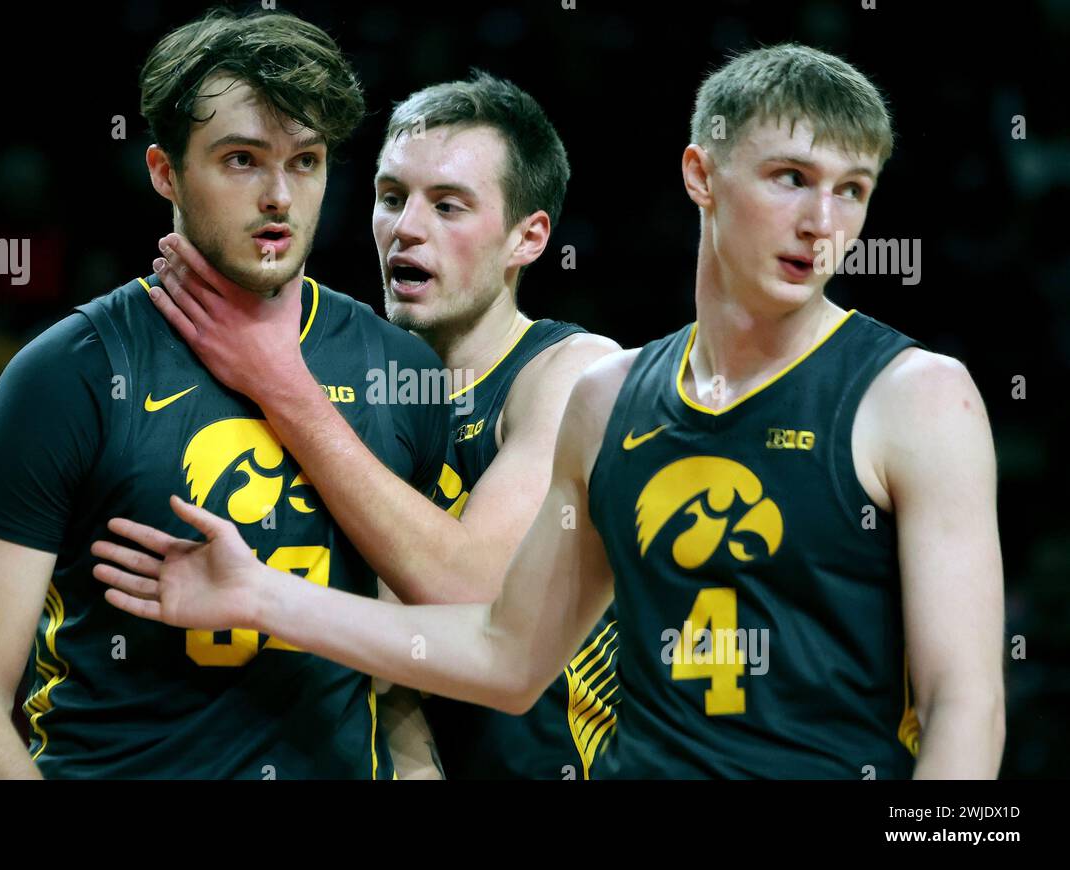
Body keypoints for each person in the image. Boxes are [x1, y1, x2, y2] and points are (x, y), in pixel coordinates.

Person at [94, 44, 1006, 778]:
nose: (824, 222)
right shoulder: (611, 402)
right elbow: (503, 656)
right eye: (790, 179)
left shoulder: (917, 395)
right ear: (701, 175)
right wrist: (262, 595)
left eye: (852, 190)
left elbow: (964, 706)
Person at [0, 9, 450, 779]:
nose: (279, 196)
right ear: (165, 171)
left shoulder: (399, 368)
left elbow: (414, 660)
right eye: (242, 160)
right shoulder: (66, 374)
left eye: (305, 161)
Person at [146, 72, 622, 779]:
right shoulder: (357, 388)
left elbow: (472, 591)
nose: (406, 228)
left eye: (448, 206)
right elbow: (388, 659)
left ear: (528, 238)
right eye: (392, 198)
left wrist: (278, 384)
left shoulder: (576, 374)